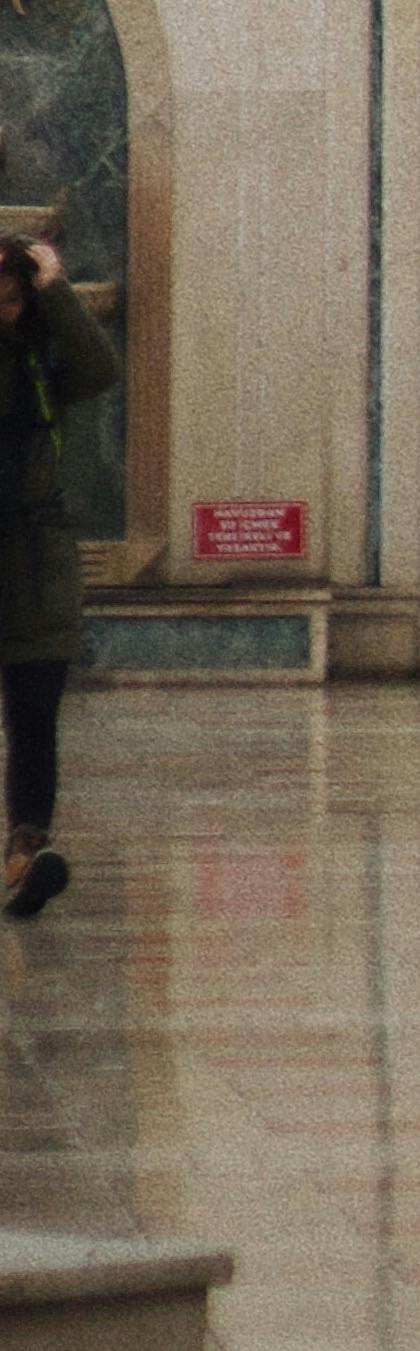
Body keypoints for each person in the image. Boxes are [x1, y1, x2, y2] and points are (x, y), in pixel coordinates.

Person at [0, 232, 118, 915]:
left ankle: (26, 850)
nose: (6, 311)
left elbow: (101, 367)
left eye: (15, 300)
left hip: (37, 560)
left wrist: (57, 292)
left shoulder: (43, 360)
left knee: (34, 714)